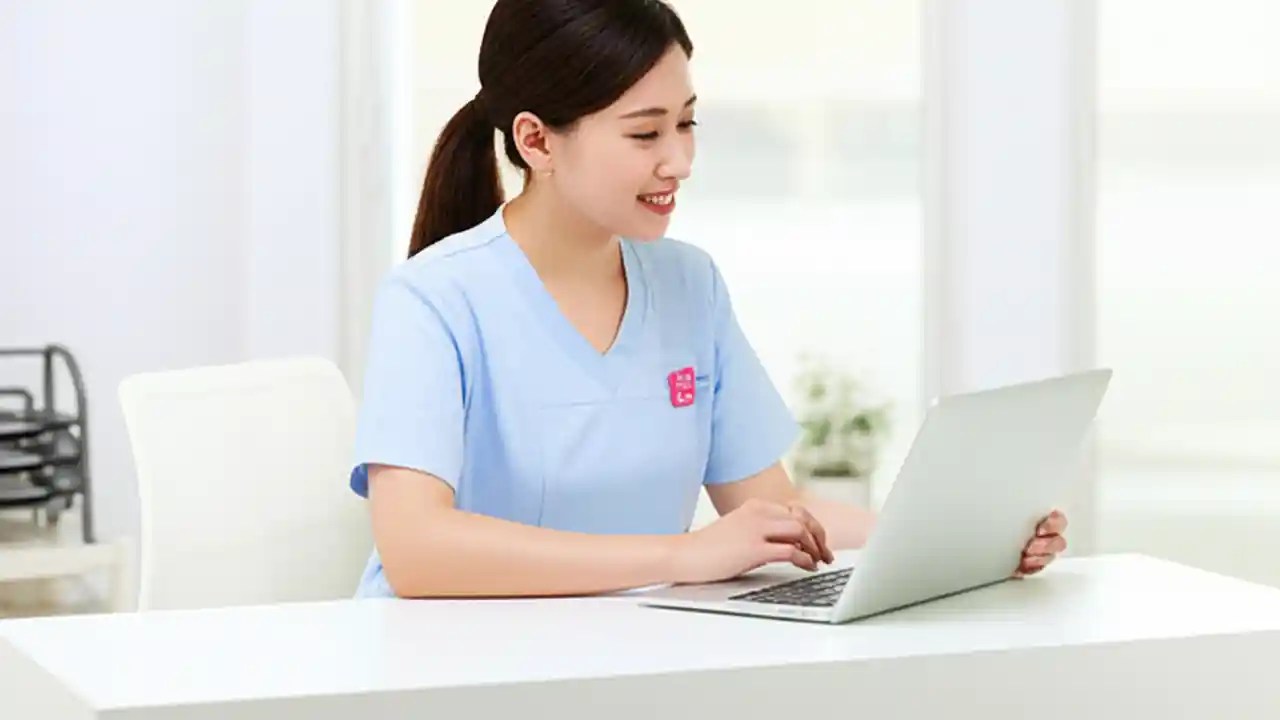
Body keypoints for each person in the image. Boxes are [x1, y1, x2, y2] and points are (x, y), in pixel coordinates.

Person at [348, 0, 1068, 599]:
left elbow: (778, 515)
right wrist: (680, 556)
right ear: (537, 140)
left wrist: (965, 541)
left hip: (630, 661)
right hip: (445, 671)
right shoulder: (434, 300)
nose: (680, 161)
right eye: (645, 133)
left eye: (687, 123)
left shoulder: (689, 286)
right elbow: (417, 549)